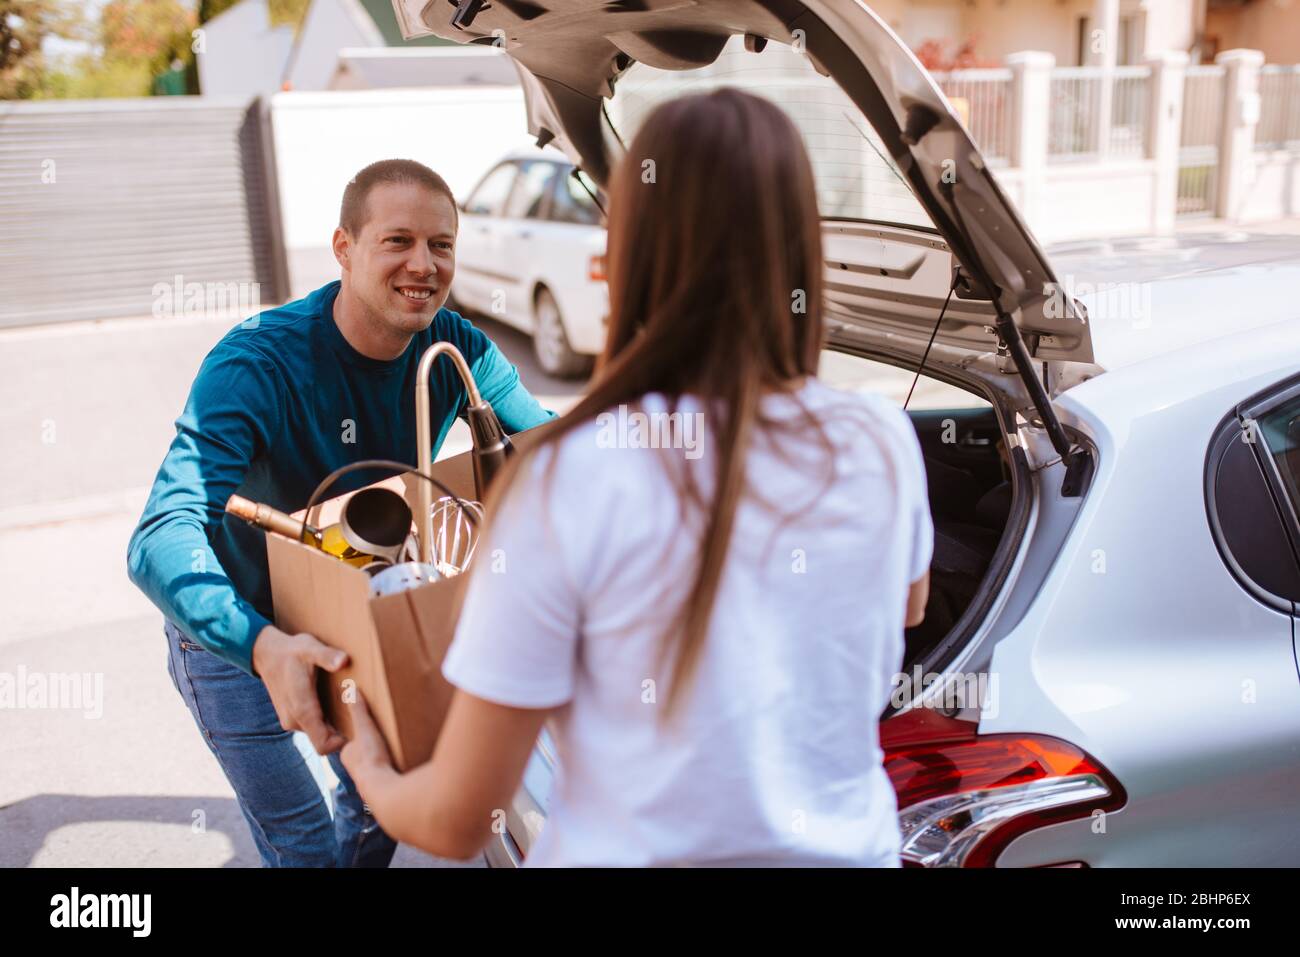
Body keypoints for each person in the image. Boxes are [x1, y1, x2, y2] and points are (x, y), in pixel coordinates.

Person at [341, 90, 933, 866]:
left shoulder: (569, 477)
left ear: (629, 250)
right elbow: (909, 602)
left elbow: (458, 820)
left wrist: (367, 763)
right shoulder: (880, 439)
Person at [127, 159, 555, 867]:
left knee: (373, 812)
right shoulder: (256, 362)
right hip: (237, 633)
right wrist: (264, 646)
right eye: (398, 241)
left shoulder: (457, 348)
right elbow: (159, 534)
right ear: (343, 248)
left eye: (442, 244)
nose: (424, 264)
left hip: (353, 613)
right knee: (303, 848)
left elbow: (544, 446)